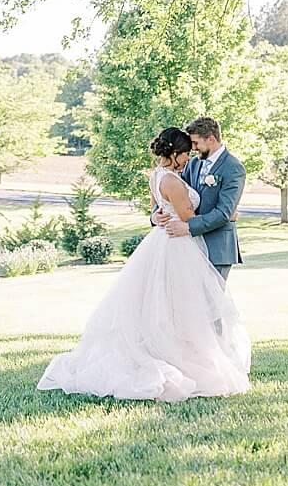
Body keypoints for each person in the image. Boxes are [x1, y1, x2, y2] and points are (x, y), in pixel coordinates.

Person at [36, 126, 251, 402]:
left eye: (195, 145)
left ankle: (214, 360)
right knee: (183, 309)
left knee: (208, 310)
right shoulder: (184, 169)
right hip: (180, 245)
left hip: (211, 246)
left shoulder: (229, 168)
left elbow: (202, 208)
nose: (192, 154)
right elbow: (178, 209)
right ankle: (188, 362)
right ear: (175, 154)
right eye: (187, 150)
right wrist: (163, 217)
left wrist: (195, 218)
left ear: (211, 138)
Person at [154, 115, 245, 281]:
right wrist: (155, 215)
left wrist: (189, 227)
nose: (193, 148)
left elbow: (224, 213)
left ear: (210, 139)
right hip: (188, 247)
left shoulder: (233, 168)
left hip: (217, 248)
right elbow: (175, 193)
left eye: (195, 143)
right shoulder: (194, 163)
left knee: (211, 305)